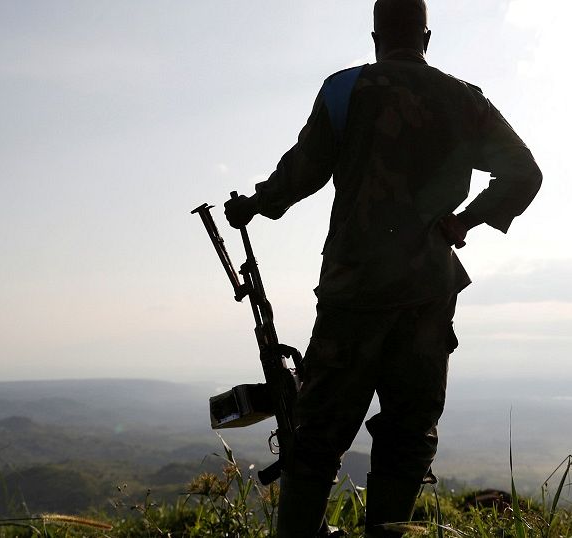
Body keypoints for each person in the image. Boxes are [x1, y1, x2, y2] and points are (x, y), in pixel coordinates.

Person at [224, 1, 541, 535]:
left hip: (355, 289)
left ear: (375, 36)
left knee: (319, 433)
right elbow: (524, 173)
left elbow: (303, 170)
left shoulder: (347, 90)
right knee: (408, 433)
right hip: (427, 294)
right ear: (427, 36)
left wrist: (255, 204)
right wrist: (465, 222)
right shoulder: (465, 100)